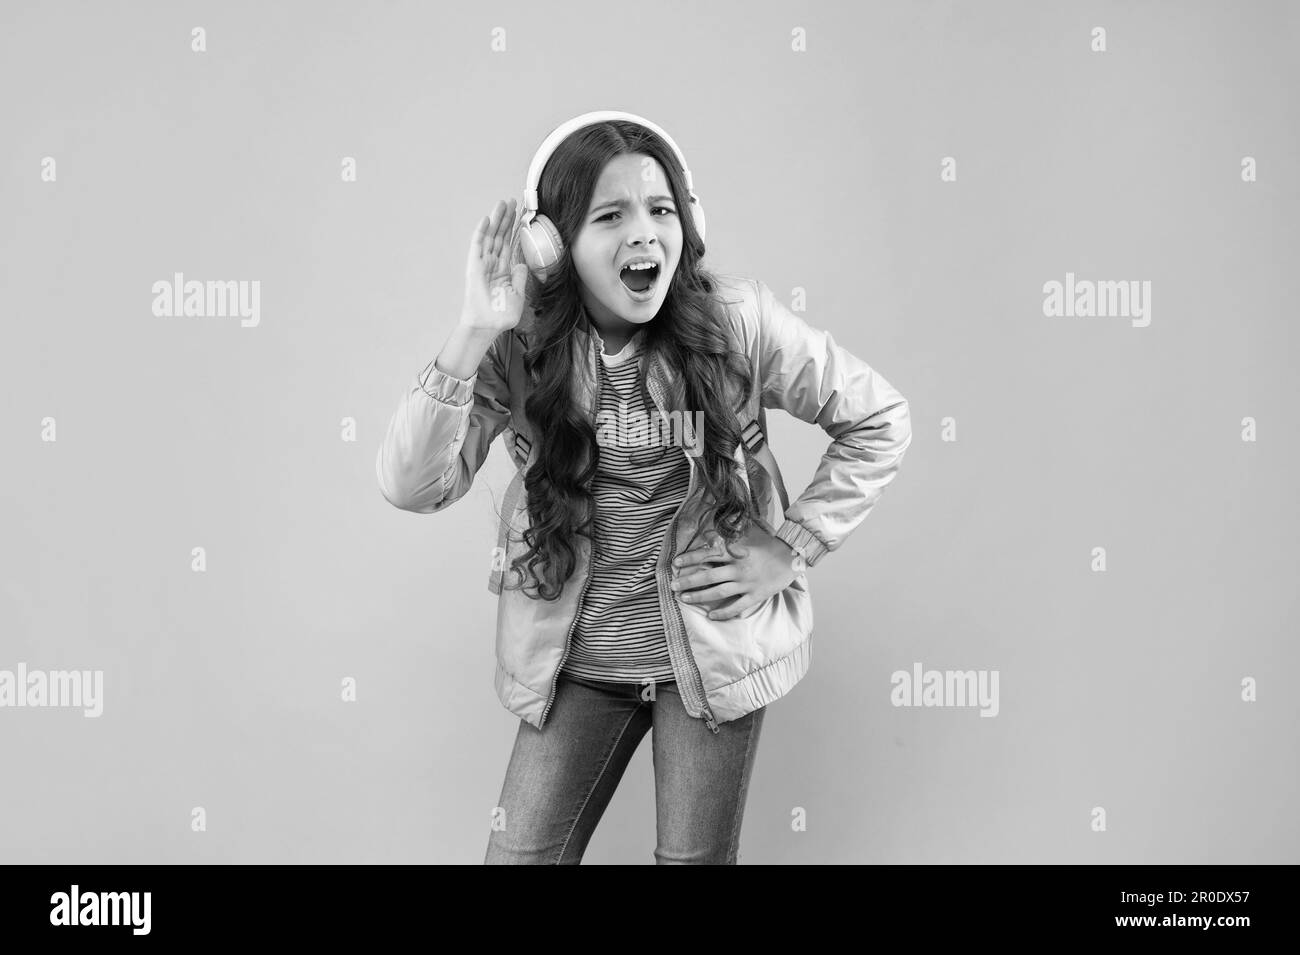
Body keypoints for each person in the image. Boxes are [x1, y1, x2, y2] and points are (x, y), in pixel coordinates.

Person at [376, 112, 913, 864]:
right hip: (578, 667)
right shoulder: (519, 348)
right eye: (610, 215)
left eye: (661, 211)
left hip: (712, 661)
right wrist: (473, 330)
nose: (644, 235)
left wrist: (792, 546)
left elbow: (879, 417)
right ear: (553, 247)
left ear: (689, 225)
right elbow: (413, 484)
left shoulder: (735, 321)